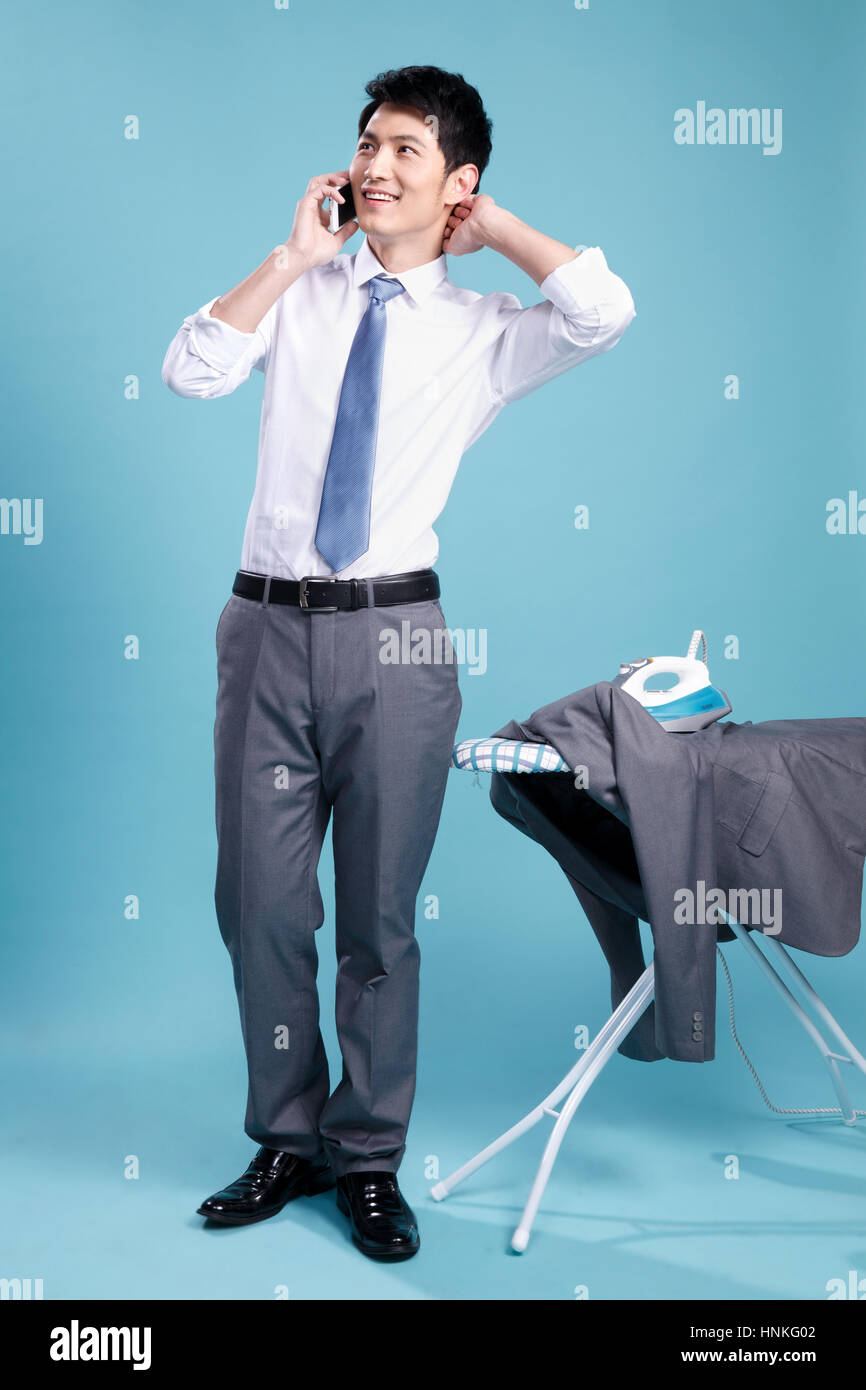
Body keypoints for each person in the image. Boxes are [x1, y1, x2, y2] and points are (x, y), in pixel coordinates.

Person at [161, 63, 636, 1263]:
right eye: (366, 144)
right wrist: (285, 260)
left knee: (379, 918)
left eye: (405, 151)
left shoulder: (484, 335)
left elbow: (602, 310)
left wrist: (501, 230)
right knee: (259, 905)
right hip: (264, 631)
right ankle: (287, 1138)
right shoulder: (307, 292)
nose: (373, 166)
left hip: (398, 639)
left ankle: (366, 1158)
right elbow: (193, 367)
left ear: (456, 182)